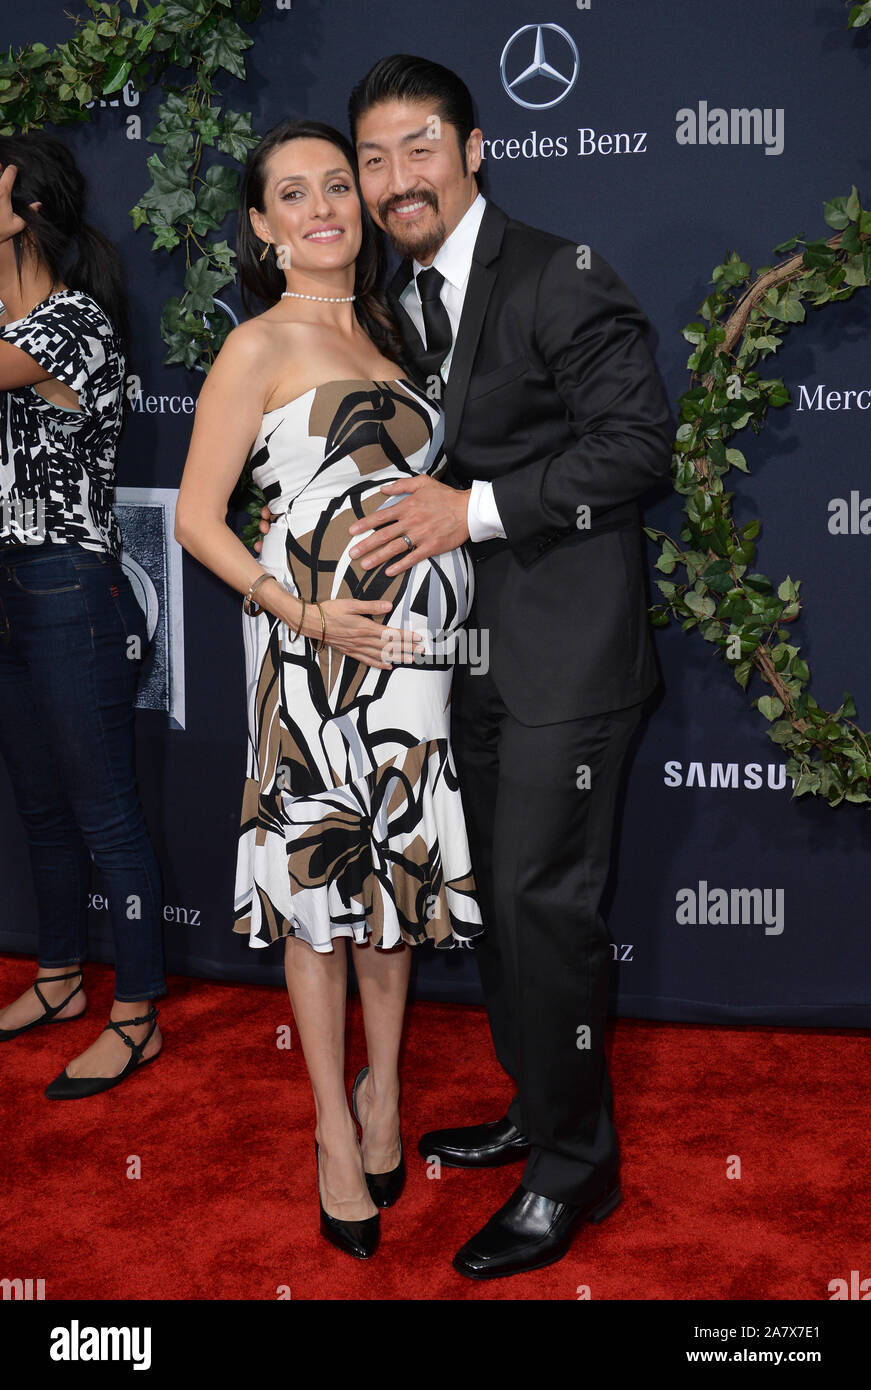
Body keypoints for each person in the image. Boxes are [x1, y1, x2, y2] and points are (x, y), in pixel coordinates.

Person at [262, 56, 673, 1279]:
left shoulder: (557, 274)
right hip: (459, 668)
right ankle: (536, 1106)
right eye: (371, 161)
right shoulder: (389, 300)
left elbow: (637, 446)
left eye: (417, 150)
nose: (394, 182)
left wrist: (475, 509)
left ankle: (573, 1173)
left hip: (568, 662)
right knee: (500, 909)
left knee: (547, 909)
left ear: (474, 148)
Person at [175, 118, 482, 1260]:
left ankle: (385, 1092)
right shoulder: (254, 347)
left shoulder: (404, 329)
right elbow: (200, 520)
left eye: (338, 187)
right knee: (319, 898)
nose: (322, 209)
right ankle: (328, 1132)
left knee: (392, 896)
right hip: (310, 659)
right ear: (261, 227)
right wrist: (302, 611)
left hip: (413, 670)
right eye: (291, 195)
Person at [0, 134, 164, 1098]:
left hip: (69, 587)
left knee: (107, 817)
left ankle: (136, 1015)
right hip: (10, 595)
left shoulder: (73, 325)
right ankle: (60, 982)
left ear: (23, 205)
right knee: (41, 810)